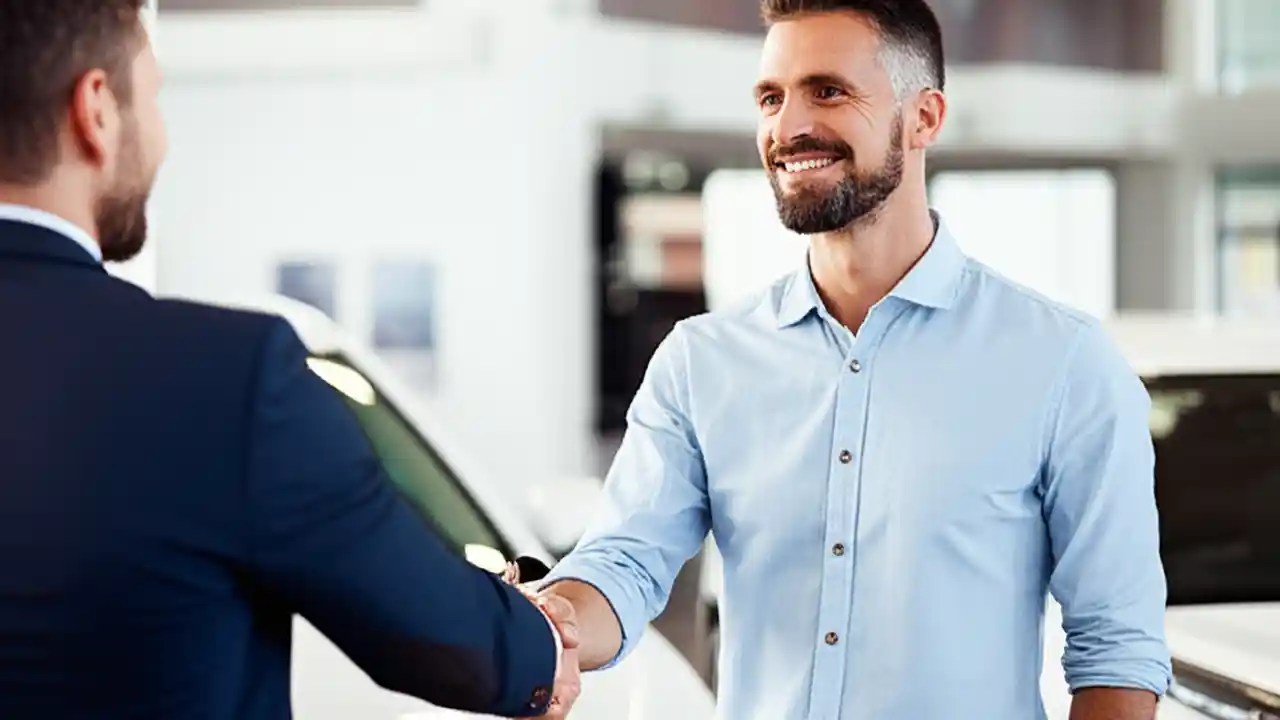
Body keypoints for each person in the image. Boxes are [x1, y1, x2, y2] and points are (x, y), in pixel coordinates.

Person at [534, 1, 1172, 718]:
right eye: (771, 97)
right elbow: (623, 565)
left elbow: (1115, 648)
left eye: (828, 91)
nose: (789, 126)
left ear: (924, 118)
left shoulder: (1064, 364)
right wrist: (547, 624)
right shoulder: (701, 363)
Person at [0, 2, 578, 718]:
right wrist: (538, 643)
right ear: (96, 111)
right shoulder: (228, 378)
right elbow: (453, 640)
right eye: (153, 96)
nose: (164, 140)